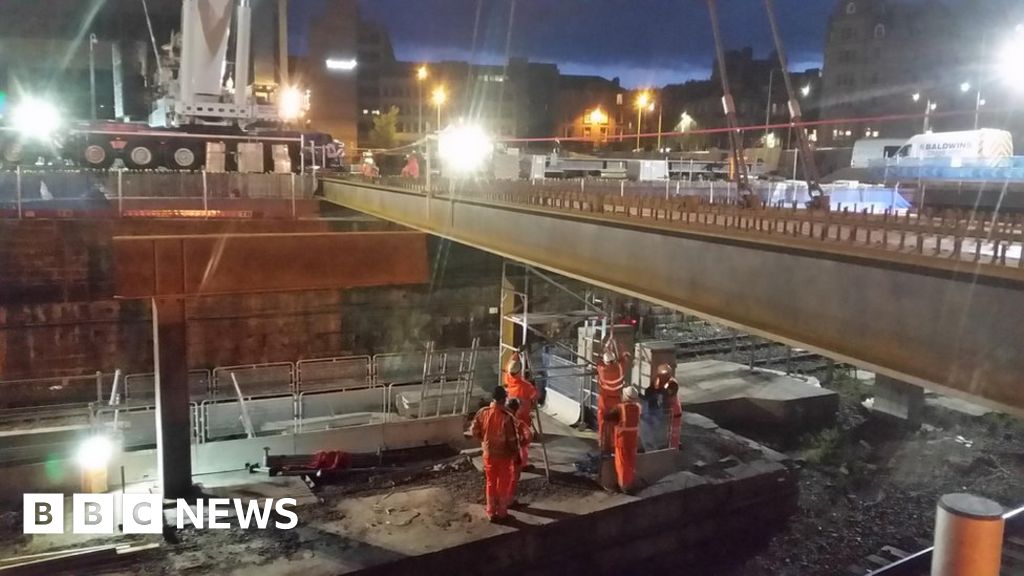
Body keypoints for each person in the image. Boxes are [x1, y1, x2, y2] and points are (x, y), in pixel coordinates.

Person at [470, 386, 519, 522]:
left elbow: (474, 430)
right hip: (504, 456)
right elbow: (511, 439)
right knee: (502, 483)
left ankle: (491, 511)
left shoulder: (482, 412)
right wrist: (516, 454)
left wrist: (483, 441)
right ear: (503, 399)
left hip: (488, 455)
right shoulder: (507, 416)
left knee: (490, 483)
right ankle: (502, 512)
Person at [503, 352, 540, 467]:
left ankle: (510, 461)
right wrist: (533, 385)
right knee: (523, 443)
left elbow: (511, 365)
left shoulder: (508, 379)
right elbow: (536, 395)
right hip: (523, 418)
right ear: (520, 371)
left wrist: (515, 354)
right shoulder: (525, 386)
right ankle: (522, 464)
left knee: (511, 440)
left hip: (511, 416)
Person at [604, 385, 642, 493]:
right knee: (631, 464)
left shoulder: (620, 408)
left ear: (625, 396)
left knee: (622, 465)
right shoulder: (638, 407)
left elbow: (607, 416)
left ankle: (624, 486)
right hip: (633, 441)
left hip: (622, 442)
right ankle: (630, 484)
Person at [596, 339, 631, 453]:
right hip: (617, 399)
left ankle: (602, 442)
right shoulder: (620, 367)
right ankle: (615, 443)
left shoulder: (603, 369)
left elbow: (598, 361)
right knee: (616, 421)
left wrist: (604, 347)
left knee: (603, 421)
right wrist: (619, 345)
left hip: (605, 399)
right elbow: (625, 357)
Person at [506, 398, 533, 505]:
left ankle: (496, 502)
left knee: (498, 478)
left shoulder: (495, 417)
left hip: (495, 454)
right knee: (513, 477)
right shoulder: (517, 423)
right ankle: (508, 501)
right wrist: (522, 443)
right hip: (512, 455)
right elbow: (529, 436)